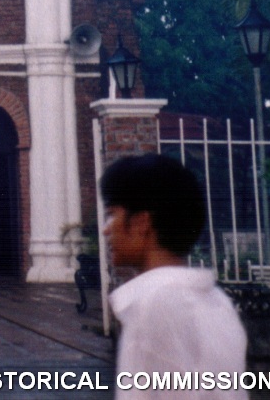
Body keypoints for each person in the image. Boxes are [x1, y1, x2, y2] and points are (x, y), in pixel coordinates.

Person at [101, 153, 248, 400]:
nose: (106, 229)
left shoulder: (155, 303)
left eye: (113, 213)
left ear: (141, 222)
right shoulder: (216, 300)